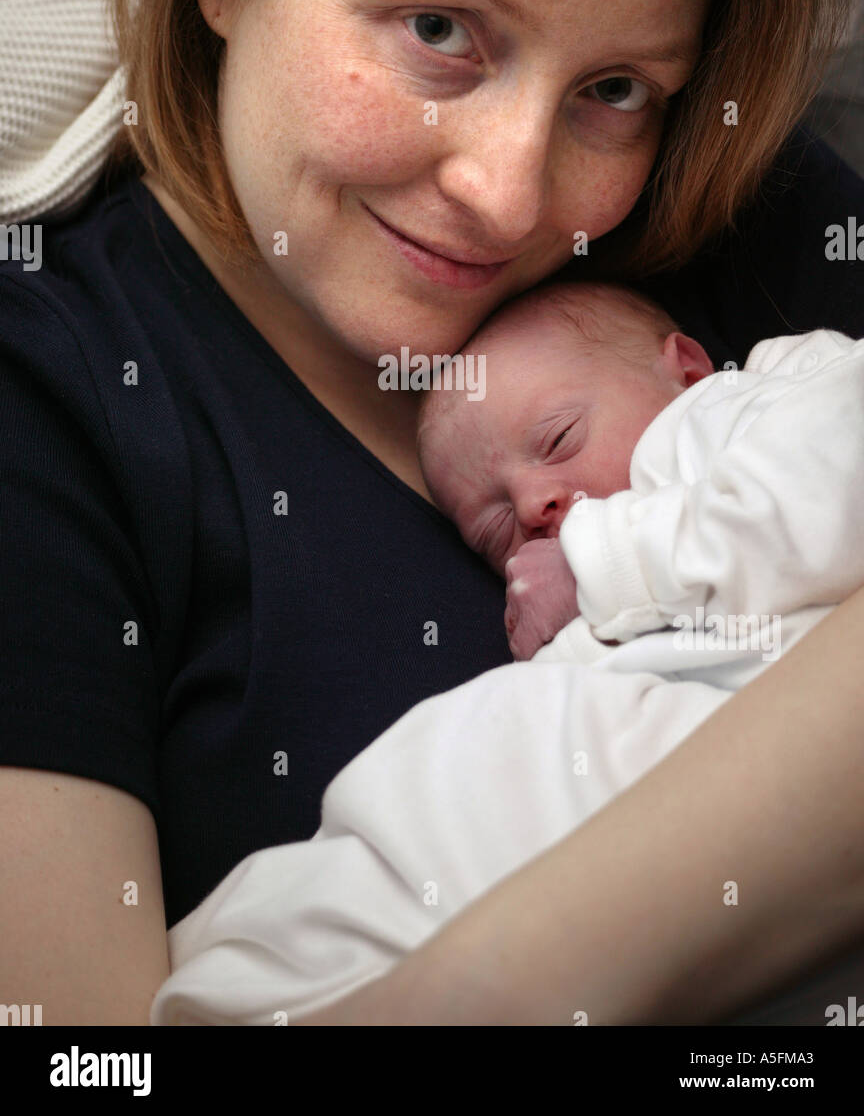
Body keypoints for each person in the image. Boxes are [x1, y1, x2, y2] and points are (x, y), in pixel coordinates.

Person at [1, 0, 863, 1026]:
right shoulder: (49, 407)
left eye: (617, 88)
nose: (510, 193)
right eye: (440, 29)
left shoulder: (741, 230)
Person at [148, 281, 864, 1024]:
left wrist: (605, 562)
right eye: (495, 534)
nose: (532, 507)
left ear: (684, 365)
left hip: (719, 749)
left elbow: (831, 485)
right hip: (585, 788)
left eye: (558, 439)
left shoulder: (765, 394)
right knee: (396, 819)